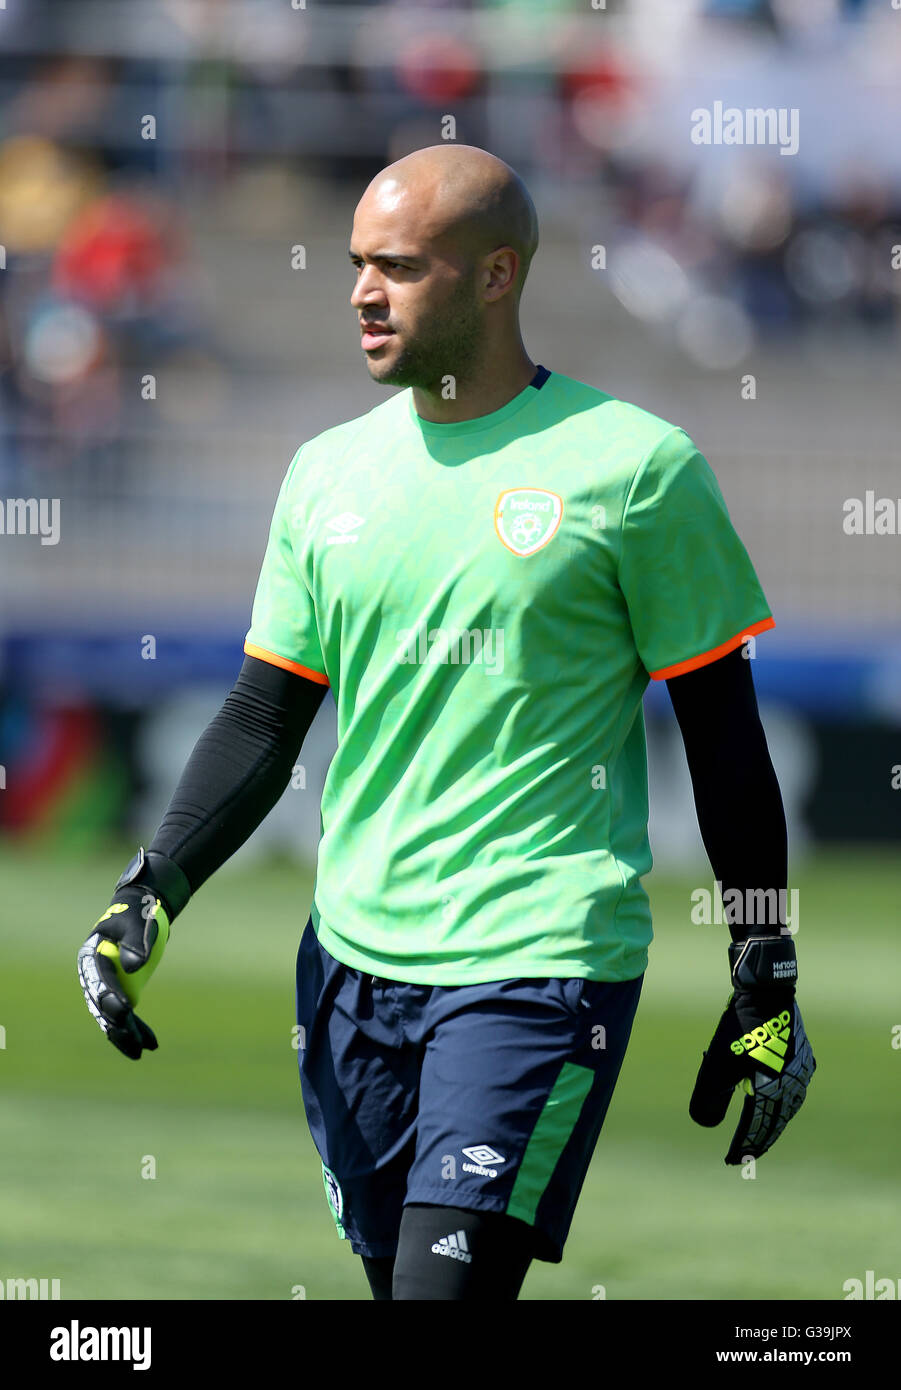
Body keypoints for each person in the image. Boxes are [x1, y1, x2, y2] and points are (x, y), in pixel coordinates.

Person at [78, 144, 815, 1302]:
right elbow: (264, 717)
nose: (363, 292)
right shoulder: (327, 474)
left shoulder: (637, 468)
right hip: (350, 967)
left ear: (494, 276)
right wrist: (150, 888)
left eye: (401, 267)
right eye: (359, 263)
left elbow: (725, 744)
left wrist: (763, 975)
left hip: (538, 965)